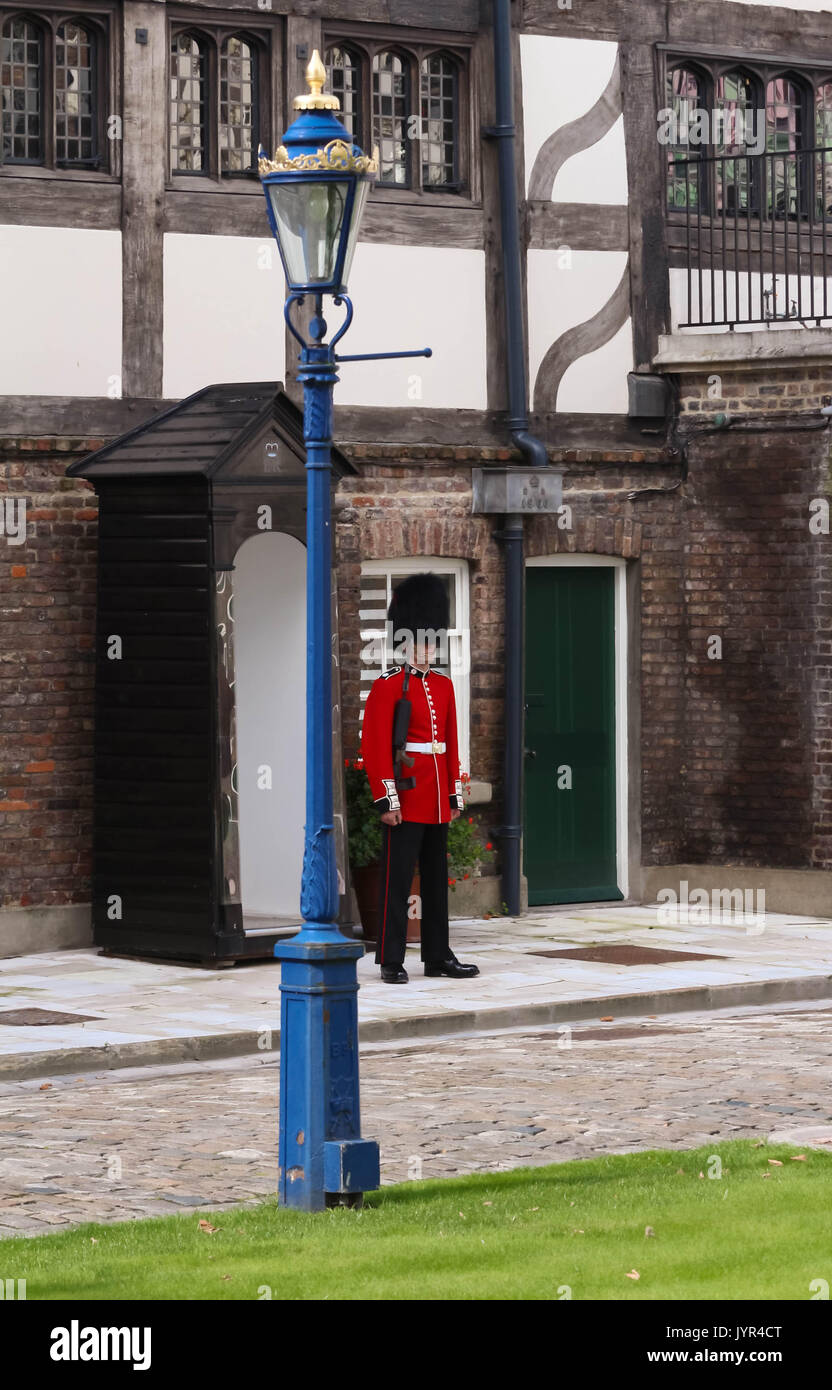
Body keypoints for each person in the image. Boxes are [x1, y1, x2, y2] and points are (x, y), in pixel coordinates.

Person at [361, 573, 481, 984]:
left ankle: (437, 956)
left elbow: (449, 745)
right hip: (407, 798)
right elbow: (375, 749)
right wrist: (387, 800)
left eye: (432, 642)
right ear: (405, 642)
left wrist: (454, 793)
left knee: (434, 881)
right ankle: (390, 958)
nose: (427, 650)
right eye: (420, 642)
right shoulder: (388, 687)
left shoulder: (445, 687)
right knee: (397, 881)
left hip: (435, 801)